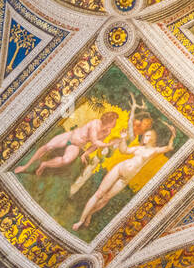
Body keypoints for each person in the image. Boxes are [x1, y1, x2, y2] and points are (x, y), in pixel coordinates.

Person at [73, 98, 173, 230]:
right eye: (145, 135)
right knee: (99, 194)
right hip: (119, 169)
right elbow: (124, 150)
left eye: (148, 135)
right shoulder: (138, 148)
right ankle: (81, 220)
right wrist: (123, 139)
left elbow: (169, 148)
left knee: (105, 199)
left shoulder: (154, 151)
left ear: (153, 138)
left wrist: (172, 134)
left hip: (126, 178)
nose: (145, 137)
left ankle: (89, 214)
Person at [15, 110, 120, 174]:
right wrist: (109, 144)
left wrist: (85, 154)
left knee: (66, 160)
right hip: (69, 137)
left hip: (76, 146)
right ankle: (25, 166)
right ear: (109, 120)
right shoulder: (95, 124)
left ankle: (44, 164)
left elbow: (94, 146)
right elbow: (95, 141)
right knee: (48, 146)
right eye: (114, 120)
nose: (115, 123)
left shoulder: (107, 131)